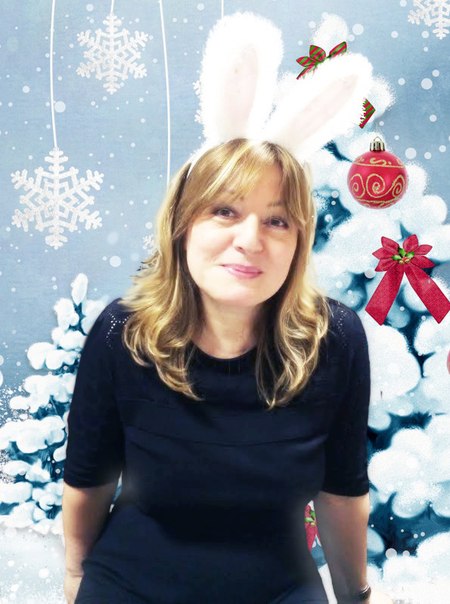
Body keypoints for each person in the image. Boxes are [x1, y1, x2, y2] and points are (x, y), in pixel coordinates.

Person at [62, 139, 393, 603]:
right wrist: (75, 576)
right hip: (130, 584)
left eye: (277, 220)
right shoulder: (124, 332)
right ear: (183, 226)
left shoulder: (334, 337)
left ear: (298, 242)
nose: (250, 241)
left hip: (279, 587)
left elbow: (341, 492)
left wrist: (355, 597)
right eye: (224, 211)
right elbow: (88, 479)